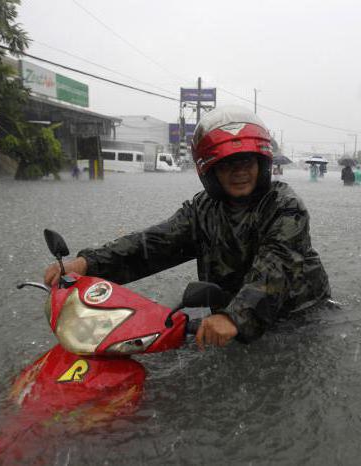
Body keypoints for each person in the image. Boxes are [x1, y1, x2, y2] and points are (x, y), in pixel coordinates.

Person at [44, 106, 331, 349]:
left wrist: (234, 317)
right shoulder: (202, 210)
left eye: (246, 161)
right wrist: (87, 264)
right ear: (210, 171)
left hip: (296, 318)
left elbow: (276, 267)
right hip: (231, 315)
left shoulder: (284, 205)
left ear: (261, 162)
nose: (240, 171)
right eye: (227, 164)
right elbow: (152, 244)